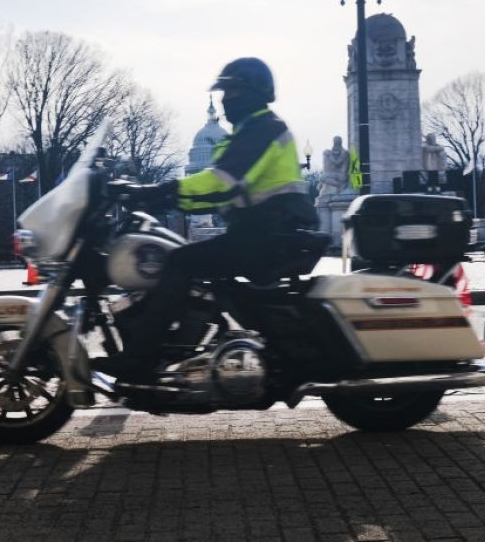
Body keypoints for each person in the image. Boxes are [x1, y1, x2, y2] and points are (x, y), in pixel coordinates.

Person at [94, 57, 318, 382]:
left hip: (269, 236)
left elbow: (220, 182)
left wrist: (156, 191)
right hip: (264, 233)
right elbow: (214, 194)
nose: (226, 99)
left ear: (255, 94)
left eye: (233, 91)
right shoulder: (249, 131)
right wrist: (159, 199)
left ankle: (140, 359)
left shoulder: (263, 129)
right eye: (224, 92)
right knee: (185, 261)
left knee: (180, 262)